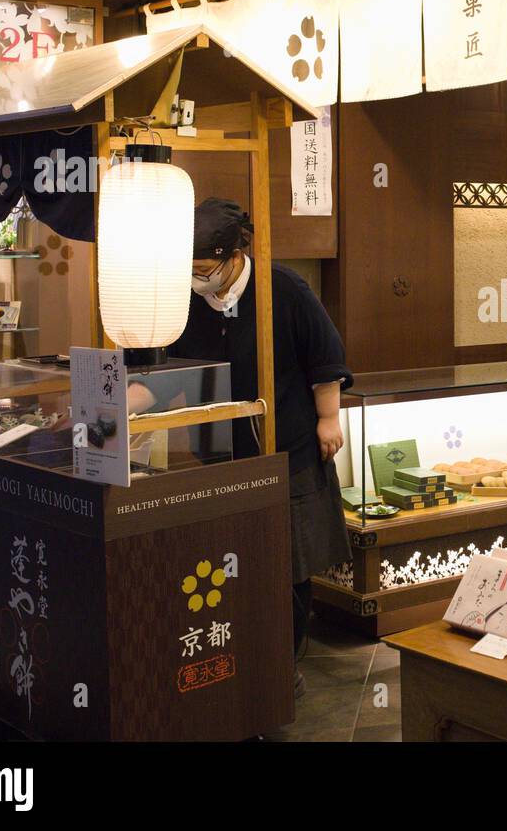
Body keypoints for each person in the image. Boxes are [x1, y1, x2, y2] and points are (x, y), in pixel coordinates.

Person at [169, 198, 352, 699]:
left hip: (286, 446)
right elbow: (166, 370)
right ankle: (238, 658)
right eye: (189, 270)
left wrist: (329, 418)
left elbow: (325, 355)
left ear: (233, 257)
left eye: (203, 270)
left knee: (286, 563)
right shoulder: (183, 298)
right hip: (216, 451)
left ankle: (280, 666)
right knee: (229, 562)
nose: (196, 279)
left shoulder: (284, 288)